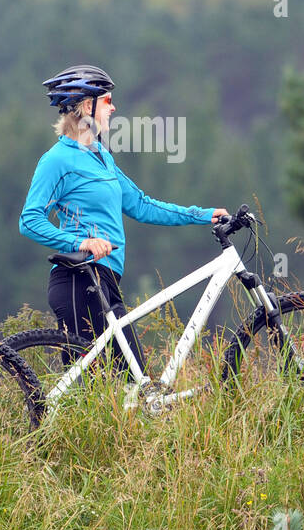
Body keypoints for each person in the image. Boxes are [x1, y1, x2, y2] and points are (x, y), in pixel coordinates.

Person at [19, 64, 227, 371]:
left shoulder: (102, 157)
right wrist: (82, 241)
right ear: (83, 106)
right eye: (106, 100)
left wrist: (203, 215)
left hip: (105, 281)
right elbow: (30, 219)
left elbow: (142, 205)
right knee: (104, 387)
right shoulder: (57, 160)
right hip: (79, 280)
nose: (114, 107)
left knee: (131, 385)